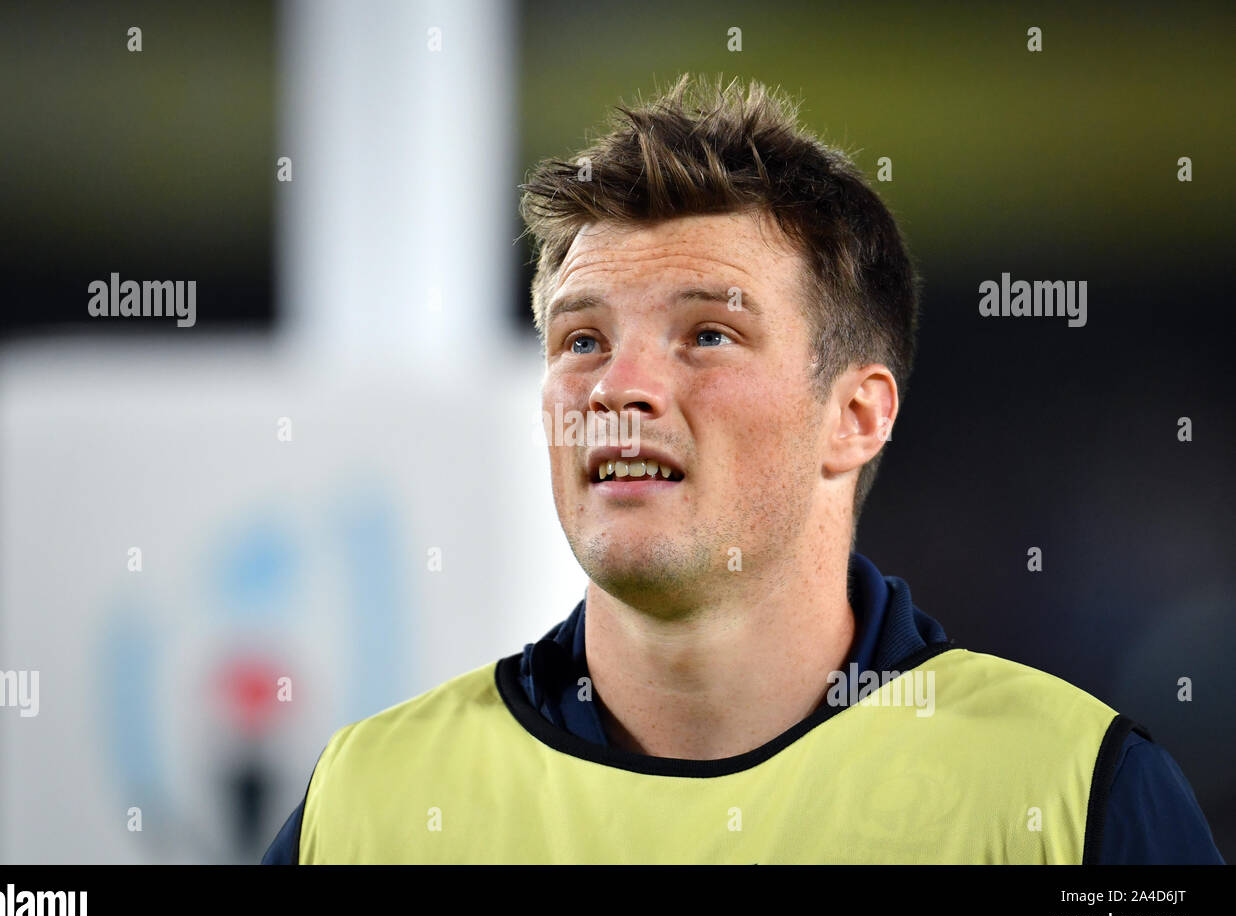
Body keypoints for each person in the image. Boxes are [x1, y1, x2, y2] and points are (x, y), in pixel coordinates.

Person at [263, 74, 1223, 864]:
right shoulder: (367, 807)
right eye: (583, 339)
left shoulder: (1074, 797)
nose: (619, 389)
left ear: (855, 417)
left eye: (708, 334)